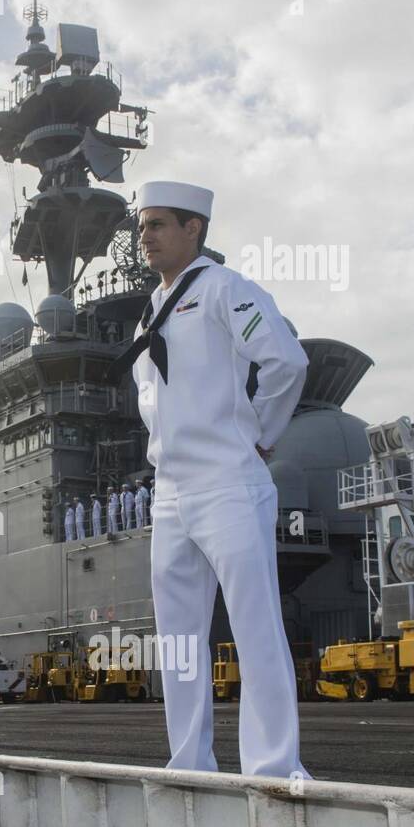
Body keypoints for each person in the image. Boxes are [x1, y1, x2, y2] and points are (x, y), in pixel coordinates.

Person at [111, 179, 310, 780]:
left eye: (157, 224)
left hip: (226, 480)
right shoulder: (151, 308)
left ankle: (274, 767)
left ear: (193, 228)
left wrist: (260, 435)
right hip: (170, 491)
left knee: (255, 625)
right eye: (142, 225)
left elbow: (286, 361)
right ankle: (190, 765)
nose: (144, 235)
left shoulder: (226, 290)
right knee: (178, 640)